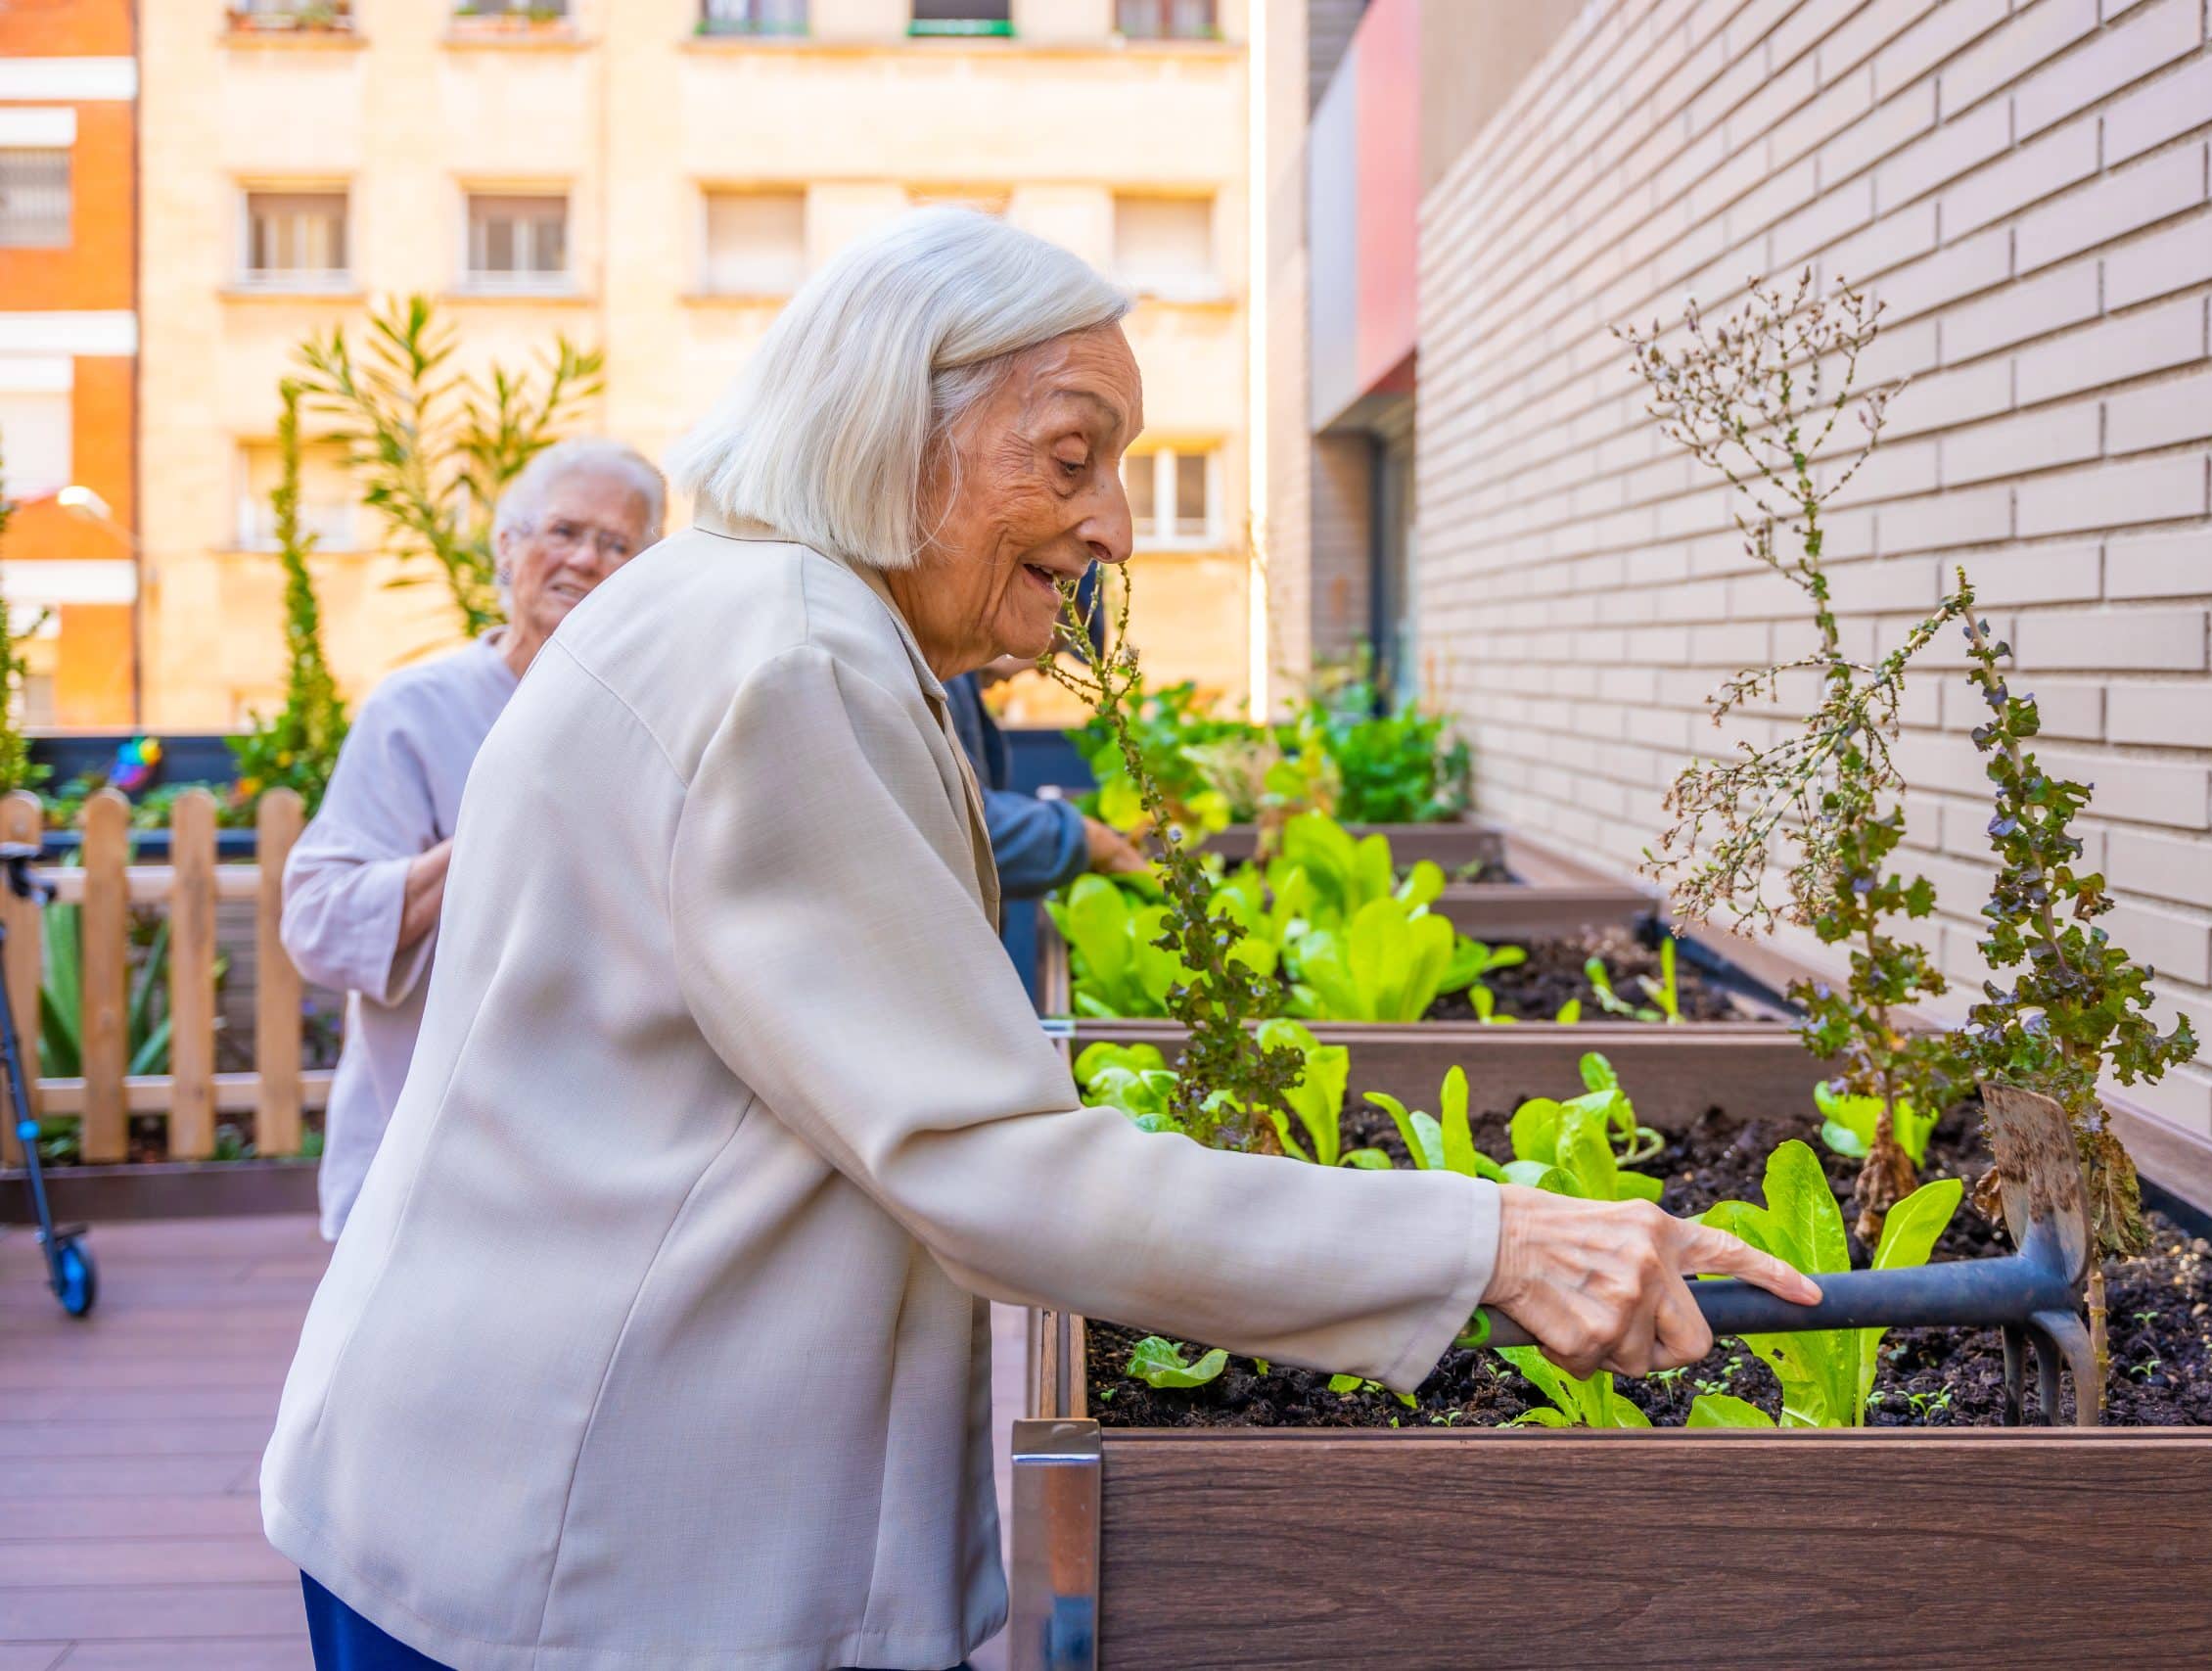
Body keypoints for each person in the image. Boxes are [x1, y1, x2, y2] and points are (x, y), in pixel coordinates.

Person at [260, 209, 1818, 1671]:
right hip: (573, 1548)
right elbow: (985, 1161)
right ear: (891, 425)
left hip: (489, 1475)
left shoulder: (735, 605)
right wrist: (1497, 1237)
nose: (1118, 527)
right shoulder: (793, 656)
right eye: (1071, 455)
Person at [277, 439, 666, 1239]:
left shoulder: (664, 719)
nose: (587, 560)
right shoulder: (417, 711)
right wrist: (494, 836)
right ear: (506, 547)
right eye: (563, 530)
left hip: (606, 1162)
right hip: (426, 1167)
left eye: (617, 544)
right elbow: (318, 919)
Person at [943, 659, 1145, 897]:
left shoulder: (955, 684)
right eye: (1053, 645)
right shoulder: (940, 682)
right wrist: (1090, 840)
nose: (1041, 671)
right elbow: (966, 831)